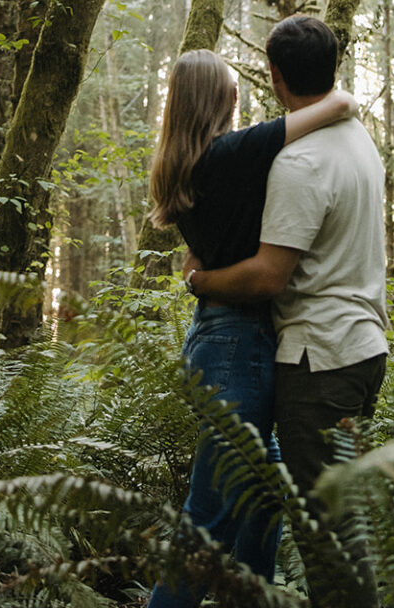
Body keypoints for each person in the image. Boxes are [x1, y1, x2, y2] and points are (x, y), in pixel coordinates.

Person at [183, 15, 388, 608]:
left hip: (318, 359)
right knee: (341, 524)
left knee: (328, 538)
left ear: (274, 76)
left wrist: (199, 280)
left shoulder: (300, 164)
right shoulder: (357, 137)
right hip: (362, 347)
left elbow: (268, 276)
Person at [147, 46, 357, 608]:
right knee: (211, 512)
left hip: (219, 340)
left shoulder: (179, 166)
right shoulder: (233, 153)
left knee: (264, 496)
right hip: (239, 347)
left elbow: (199, 257)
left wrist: (197, 277)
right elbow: (338, 105)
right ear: (226, 99)